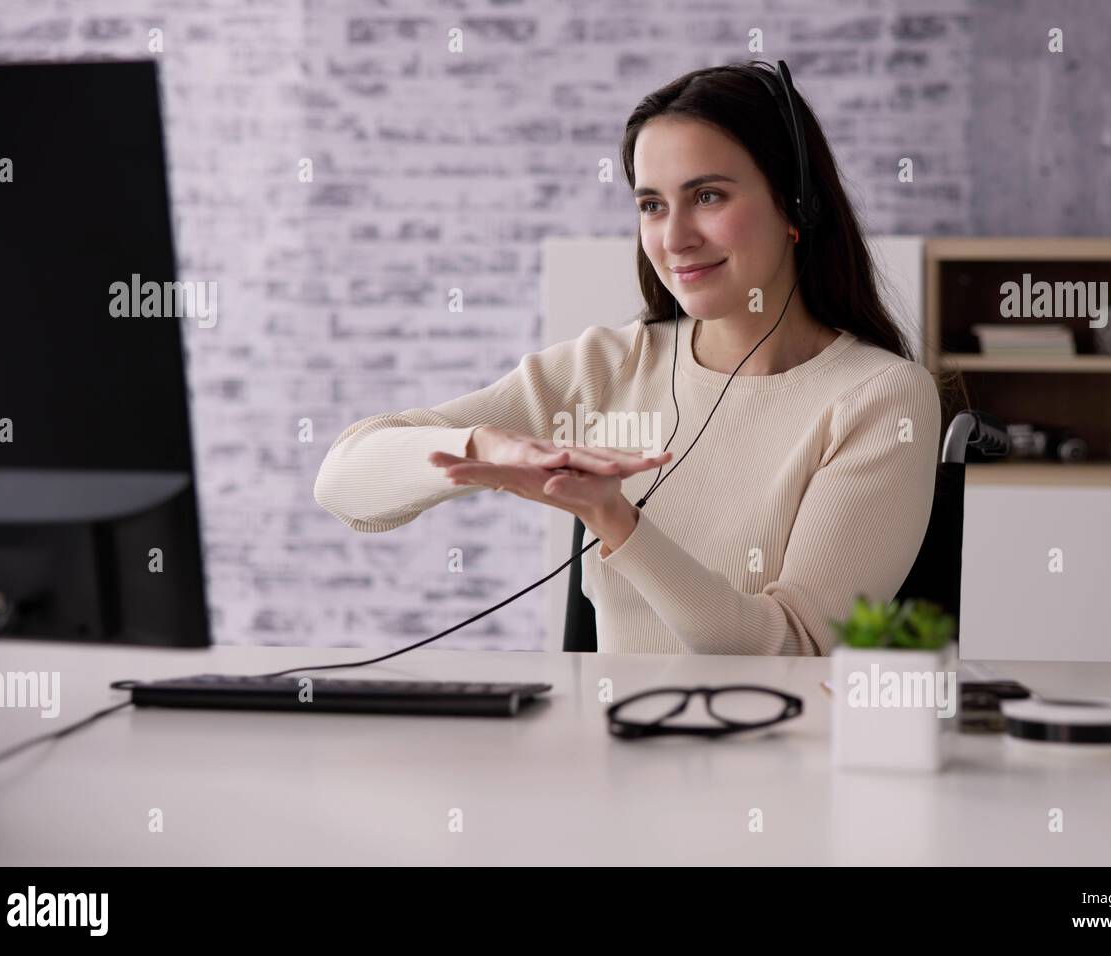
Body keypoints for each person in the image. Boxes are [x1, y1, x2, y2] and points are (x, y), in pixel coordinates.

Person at [314, 61, 954, 656]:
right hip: (613, 759)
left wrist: (614, 517)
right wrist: (484, 448)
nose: (674, 238)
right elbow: (343, 479)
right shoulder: (605, 366)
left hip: (774, 766)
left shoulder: (879, 398)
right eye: (652, 205)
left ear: (797, 206)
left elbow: (790, 645)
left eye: (708, 196)